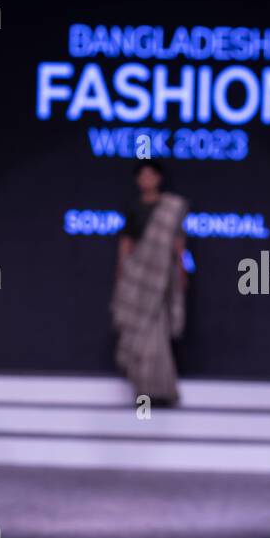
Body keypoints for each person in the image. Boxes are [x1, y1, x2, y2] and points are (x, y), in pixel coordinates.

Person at [112, 159, 189, 406]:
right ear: (137, 180)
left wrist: (181, 270)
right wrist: (123, 275)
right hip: (139, 278)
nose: (147, 179)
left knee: (158, 335)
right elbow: (126, 244)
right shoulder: (133, 208)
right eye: (142, 175)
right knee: (138, 335)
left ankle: (164, 391)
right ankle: (143, 391)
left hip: (161, 278)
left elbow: (178, 244)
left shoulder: (170, 208)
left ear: (158, 178)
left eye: (151, 175)